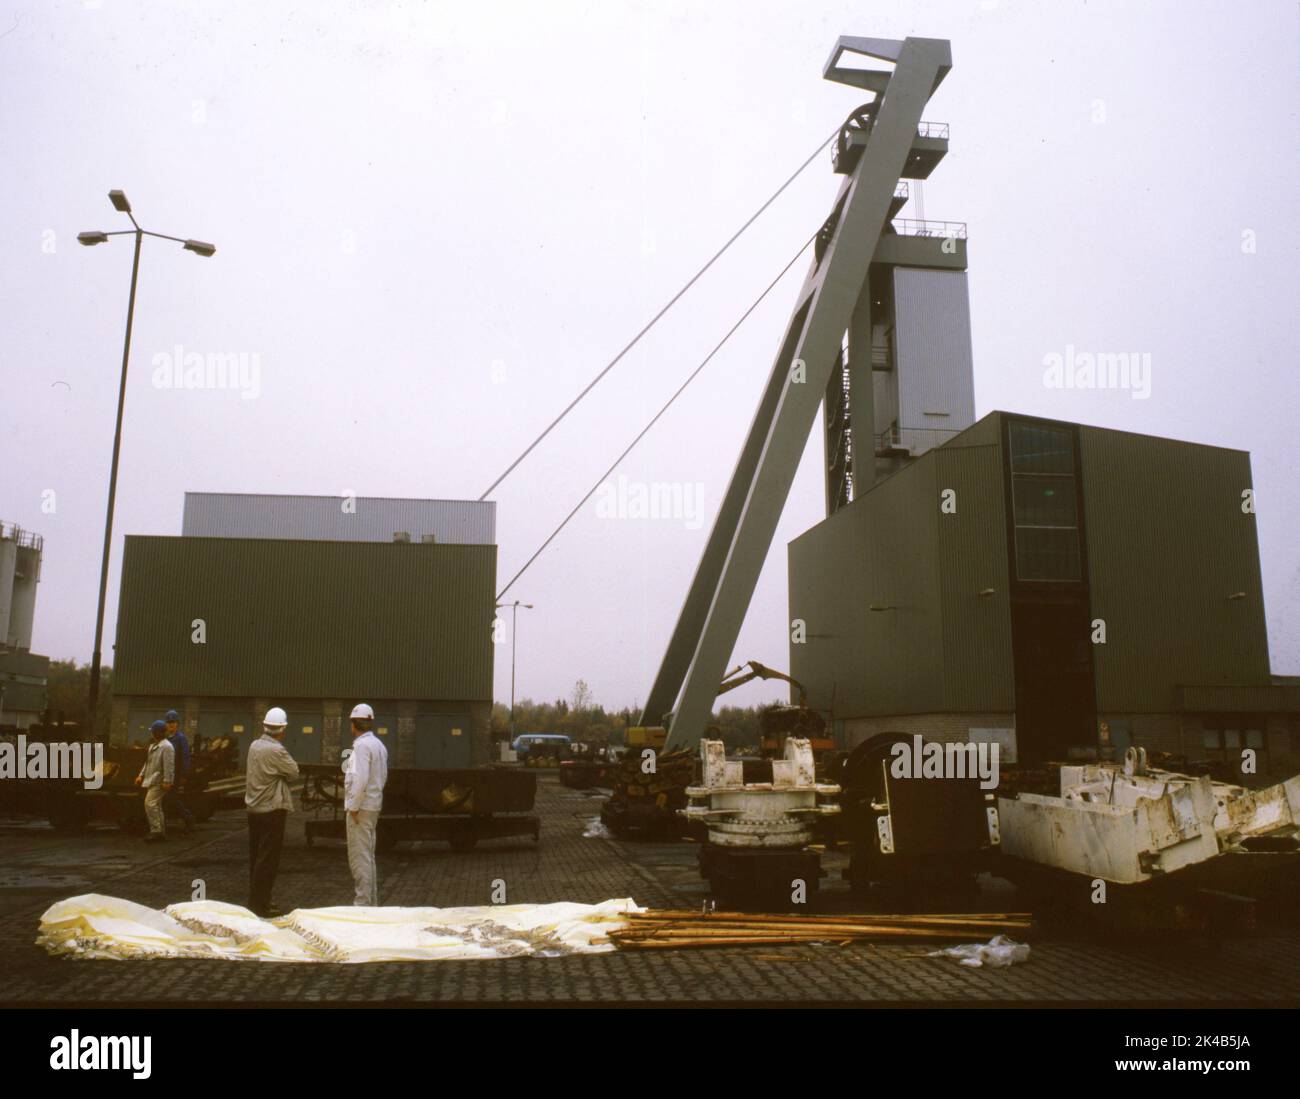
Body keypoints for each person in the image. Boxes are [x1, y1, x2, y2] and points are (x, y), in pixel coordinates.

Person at [245, 706, 299, 918]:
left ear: (265, 726)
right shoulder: (277, 750)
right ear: (282, 729)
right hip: (272, 810)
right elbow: (294, 773)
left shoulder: (254, 746)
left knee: (256, 856)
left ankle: (257, 899)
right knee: (268, 859)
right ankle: (260, 904)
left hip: (254, 809)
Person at [343, 702, 388, 906]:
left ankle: (362, 904)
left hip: (360, 809)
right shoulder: (378, 745)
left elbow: (359, 779)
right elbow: (382, 777)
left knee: (359, 858)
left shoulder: (361, 747)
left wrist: (353, 807)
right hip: (373, 805)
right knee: (368, 856)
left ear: (353, 724)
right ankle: (371, 903)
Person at [134, 720, 174, 843]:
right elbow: (148, 762)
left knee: (150, 803)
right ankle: (160, 832)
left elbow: (169, 765)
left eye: (153, 731)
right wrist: (141, 775)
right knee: (156, 805)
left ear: (159, 733)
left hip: (159, 781)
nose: (152, 734)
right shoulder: (153, 746)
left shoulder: (167, 747)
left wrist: (167, 781)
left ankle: (156, 831)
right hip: (152, 779)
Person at [162, 709, 194, 833]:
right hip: (164, 774)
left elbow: (185, 757)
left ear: (177, 724)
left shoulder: (181, 739)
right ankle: (163, 824)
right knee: (165, 799)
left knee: (172, 798)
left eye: (173, 722)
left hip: (175, 774)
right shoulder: (165, 738)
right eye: (169, 722)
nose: (171, 725)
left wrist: (183, 775)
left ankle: (188, 818)